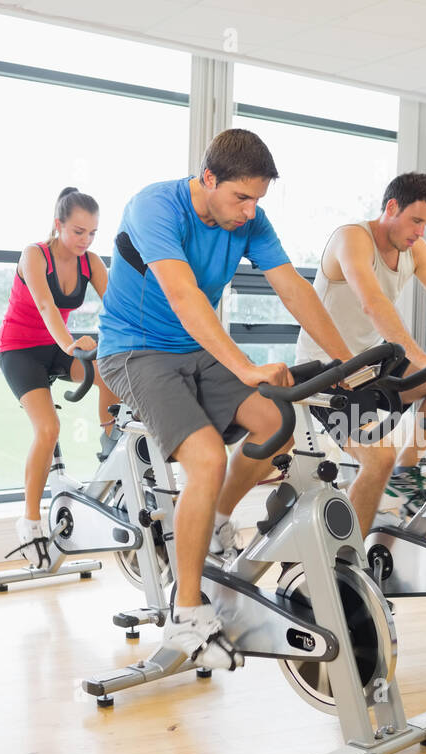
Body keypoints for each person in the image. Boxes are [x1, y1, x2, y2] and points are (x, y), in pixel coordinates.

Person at [96, 129, 353, 668]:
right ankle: (187, 612)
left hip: (198, 347)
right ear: (207, 178)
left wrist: (346, 362)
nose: (249, 210)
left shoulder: (250, 221)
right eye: (241, 197)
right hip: (135, 351)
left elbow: (293, 287)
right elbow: (185, 295)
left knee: (273, 422)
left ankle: (214, 518)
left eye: (258, 199)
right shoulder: (155, 207)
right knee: (207, 457)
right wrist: (245, 366)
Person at [295, 172, 426, 525]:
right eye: (416, 220)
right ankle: (345, 558)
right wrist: (418, 356)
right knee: (376, 460)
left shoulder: (415, 251)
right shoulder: (352, 239)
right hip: (327, 373)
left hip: (373, 365)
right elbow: (372, 301)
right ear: (391, 208)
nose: (420, 232)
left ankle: (405, 470)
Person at [0, 186, 116, 568]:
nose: (86, 240)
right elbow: (46, 305)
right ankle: (29, 521)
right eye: (78, 231)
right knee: (48, 429)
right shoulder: (35, 255)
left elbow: (117, 306)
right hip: (20, 349)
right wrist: (70, 346)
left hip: (58, 345)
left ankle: (110, 441)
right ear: (58, 225)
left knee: (107, 372)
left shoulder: (91, 263)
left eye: (93, 233)